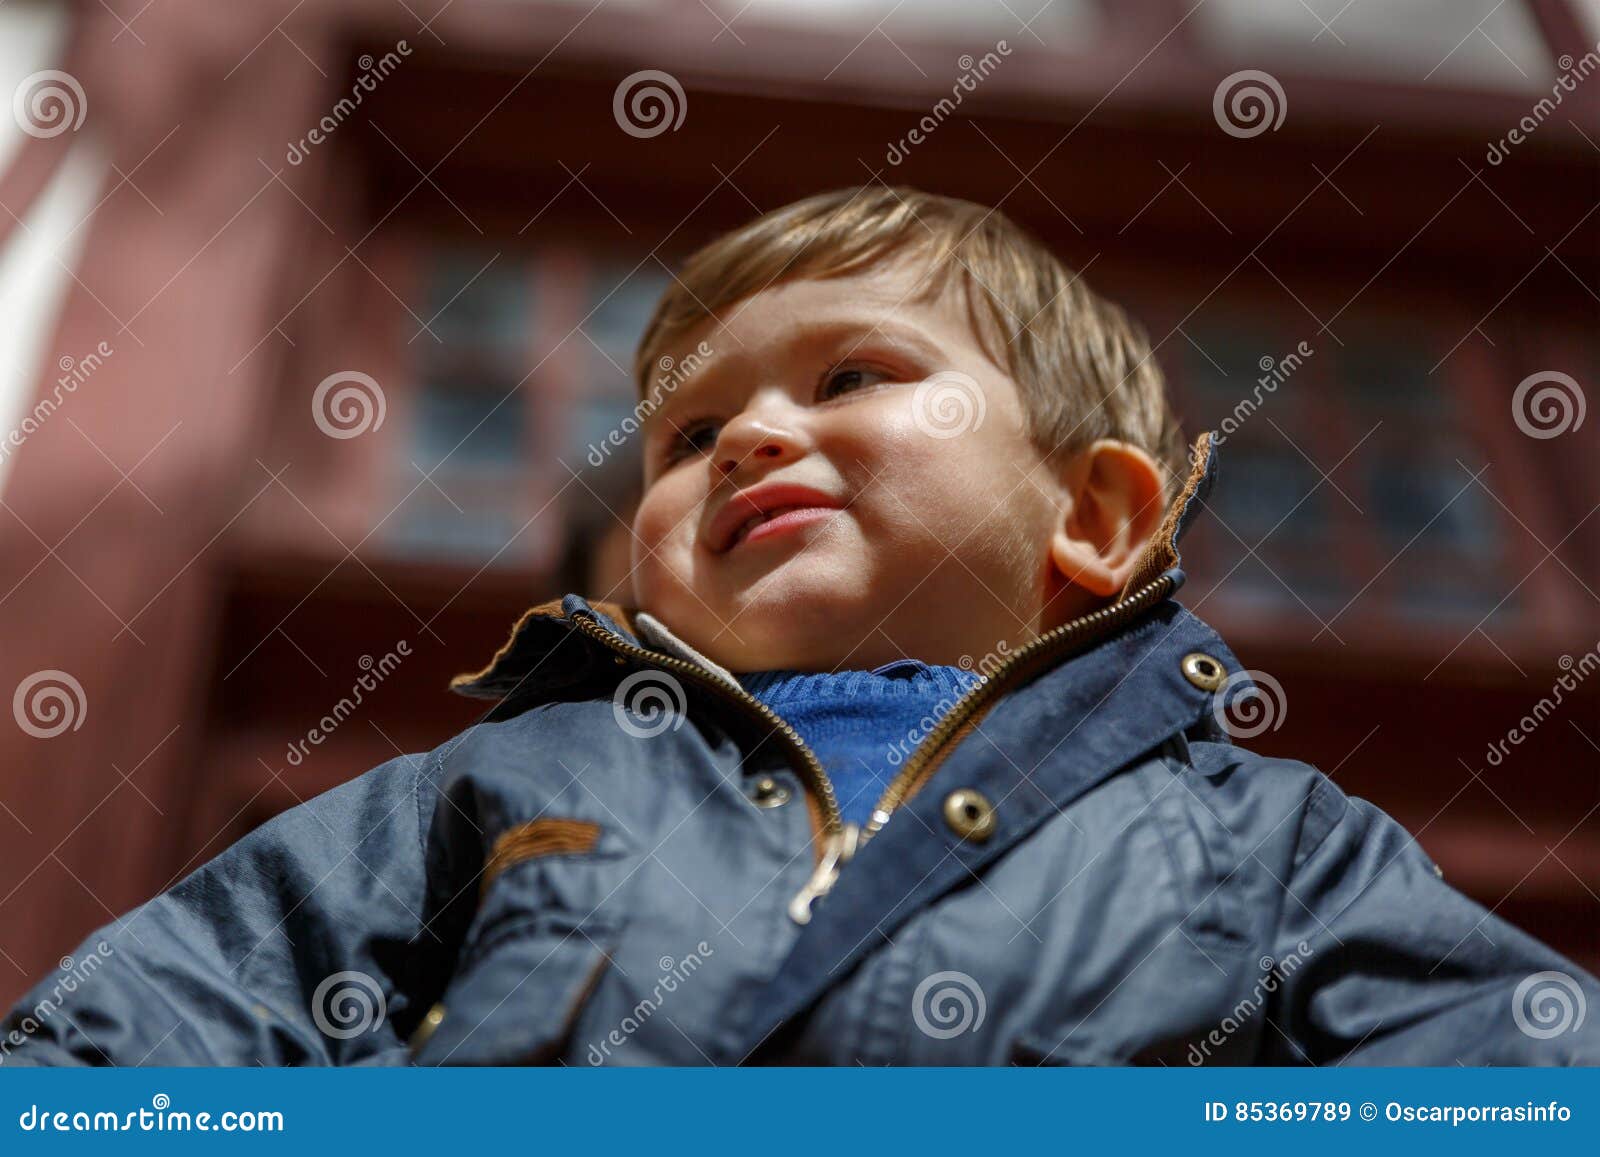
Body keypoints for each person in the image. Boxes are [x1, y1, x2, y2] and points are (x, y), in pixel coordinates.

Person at [5, 187, 1596, 1066]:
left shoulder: (1260, 837)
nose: (748, 440)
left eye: (850, 379)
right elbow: (140, 1040)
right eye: (688, 439)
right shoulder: (497, 787)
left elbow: (1506, 1069)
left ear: (1096, 522)